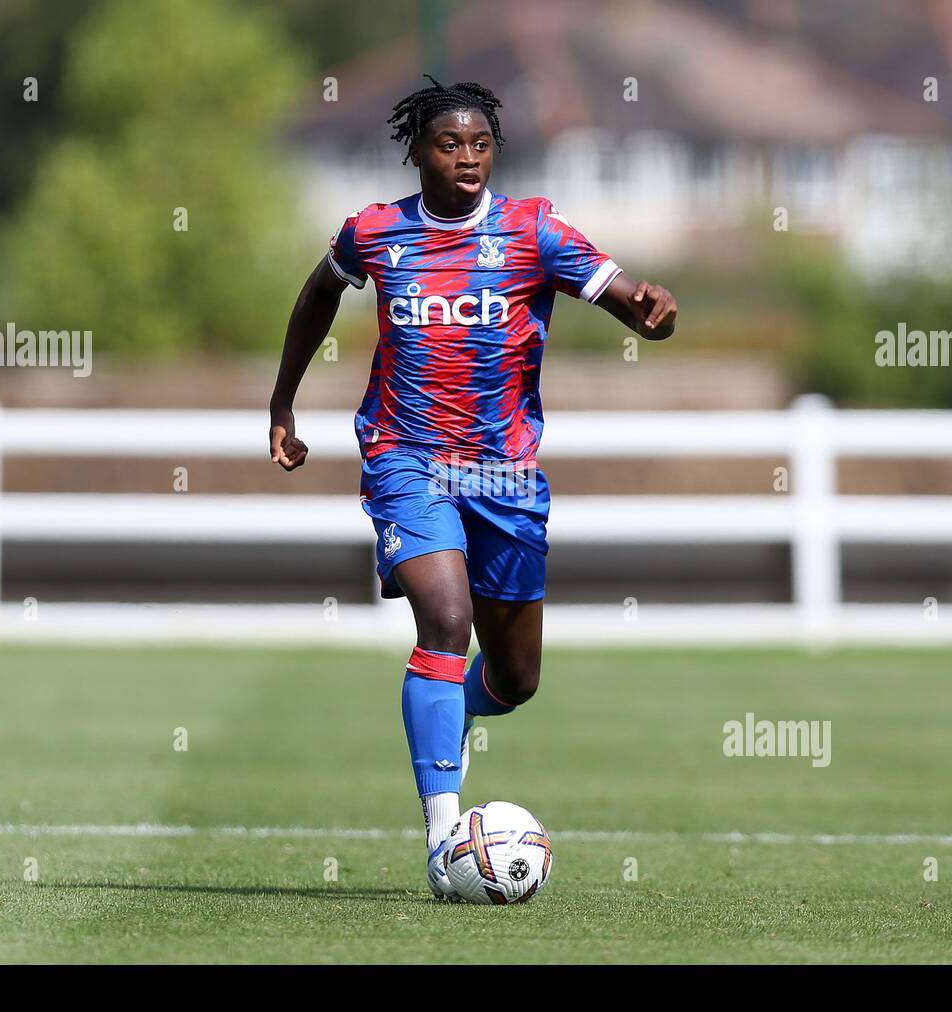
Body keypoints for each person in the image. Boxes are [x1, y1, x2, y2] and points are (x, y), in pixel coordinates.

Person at [269, 76, 677, 899]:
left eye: (480, 144)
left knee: (516, 677)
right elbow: (317, 294)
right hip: (406, 458)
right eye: (449, 144)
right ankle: (441, 829)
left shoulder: (534, 233)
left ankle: (440, 717)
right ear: (418, 151)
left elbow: (626, 296)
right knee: (445, 619)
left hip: (506, 475)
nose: (467, 158)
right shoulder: (377, 233)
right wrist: (282, 403)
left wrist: (650, 312)